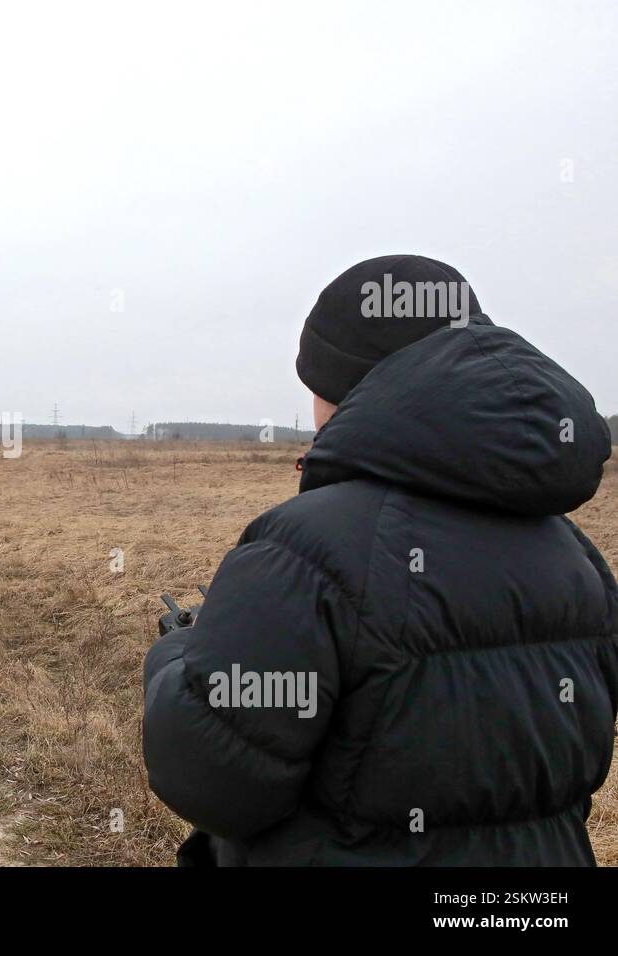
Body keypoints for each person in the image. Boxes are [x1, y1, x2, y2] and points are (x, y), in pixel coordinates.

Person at [142, 254, 618, 865]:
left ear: (342, 388)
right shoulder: (575, 554)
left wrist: (176, 653)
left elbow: (215, 780)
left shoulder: (305, 549)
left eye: (313, 384)